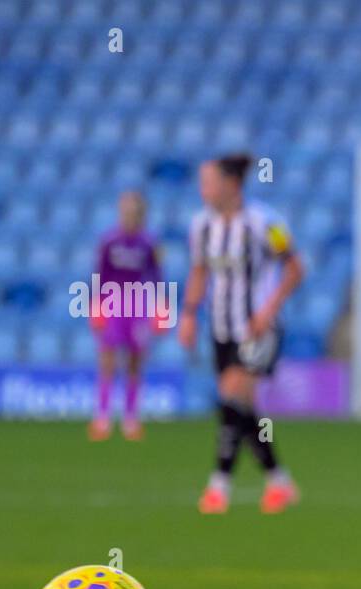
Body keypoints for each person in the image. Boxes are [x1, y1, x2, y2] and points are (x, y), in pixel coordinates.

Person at [179, 154, 304, 514]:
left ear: (231, 184)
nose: (203, 189)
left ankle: (219, 486)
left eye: (209, 181)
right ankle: (279, 480)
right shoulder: (201, 225)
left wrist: (267, 312)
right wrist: (188, 315)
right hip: (221, 327)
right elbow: (199, 272)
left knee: (232, 395)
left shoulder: (265, 223)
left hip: (257, 328)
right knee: (242, 407)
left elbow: (295, 269)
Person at [89, 190, 162, 441]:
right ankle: (103, 417)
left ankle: (131, 418)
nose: (129, 216)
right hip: (112, 302)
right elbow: (100, 275)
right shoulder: (109, 241)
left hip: (137, 304)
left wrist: (158, 308)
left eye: (133, 211)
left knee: (134, 363)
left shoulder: (149, 243)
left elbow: (155, 276)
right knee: (107, 361)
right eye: (125, 211)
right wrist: (96, 306)